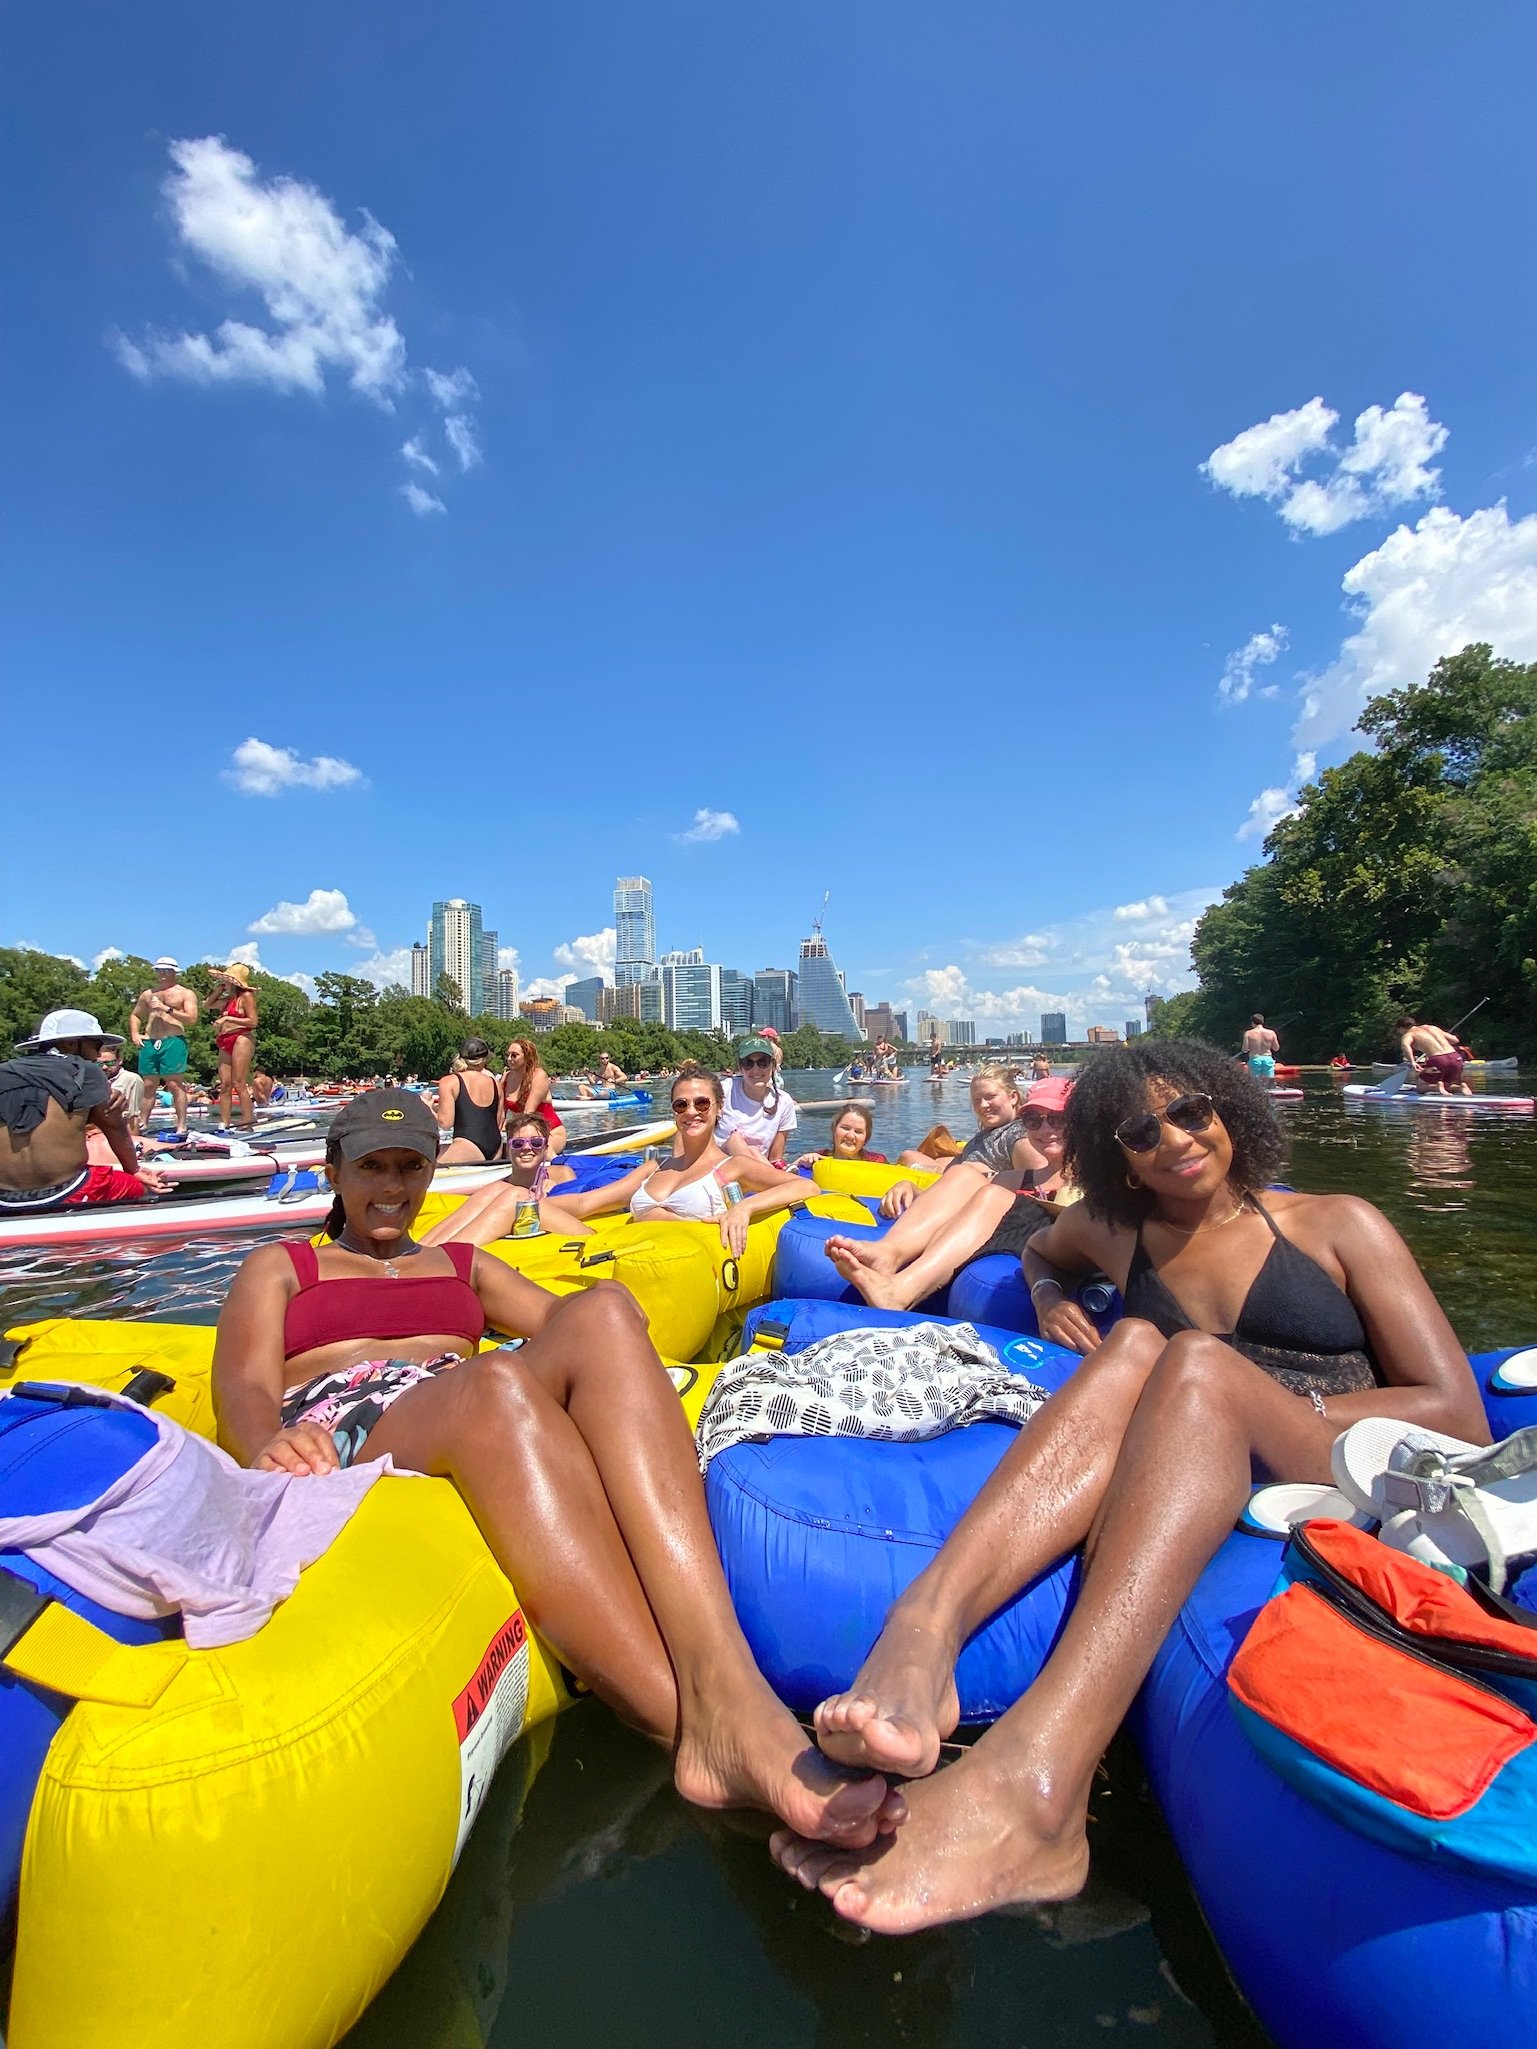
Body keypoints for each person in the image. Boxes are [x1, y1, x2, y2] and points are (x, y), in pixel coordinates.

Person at [772, 1039, 1488, 1932]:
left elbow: (1458, 1412)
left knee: (1182, 1358)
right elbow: (1042, 1245)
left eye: (1191, 1110)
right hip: (1189, 1451)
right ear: (1116, 1153)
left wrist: (1266, 1396)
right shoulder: (1120, 1231)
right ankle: (923, 1629)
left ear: (1230, 1108)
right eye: (1140, 1130)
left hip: (1335, 1457)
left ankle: (1041, 1785)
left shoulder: (1335, 1223)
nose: (1174, 1139)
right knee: (1138, 1345)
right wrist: (1041, 1296)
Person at [211, 1089, 902, 1848]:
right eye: (372, 1166)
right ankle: (702, 1727)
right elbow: (242, 1379)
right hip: (358, 1416)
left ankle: (726, 1683)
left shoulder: (460, 1264)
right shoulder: (285, 1265)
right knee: (493, 1385)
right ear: (335, 1172)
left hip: (453, 1394)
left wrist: (624, 1322)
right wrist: (263, 1441)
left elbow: (567, 1324)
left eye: (410, 1166)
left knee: (602, 1308)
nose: (393, 1186)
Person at [824, 1078, 1075, 1312]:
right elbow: (960, 1195)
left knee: (993, 1195)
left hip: (1045, 1240)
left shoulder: (1090, 1178)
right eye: (1032, 1119)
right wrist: (914, 1189)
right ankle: (887, 1254)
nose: (1045, 1128)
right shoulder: (1020, 1176)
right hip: (1005, 1221)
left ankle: (901, 1291)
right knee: (965, 1175)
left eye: (1058, 1118)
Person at [0, 1009, 171, 1212]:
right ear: (71, 1044)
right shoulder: (86, 1072)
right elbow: (115, 1128)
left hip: (4, 1199)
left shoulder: (4, 1071)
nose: (99, 1054)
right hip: (68, 1192)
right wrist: (133, 1170)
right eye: (96, 1044)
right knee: (140, 1188)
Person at [421, 1111, 578, 1246]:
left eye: (536, 1142)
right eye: (518, 1143)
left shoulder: (563, 1175)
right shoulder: (497, 1190)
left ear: (545, 1149)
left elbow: (578, 1210)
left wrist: (556, 1191)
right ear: (508, 1149)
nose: (527, 1148)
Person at [890, 1065, 1031, 1202]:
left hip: (967, 1194)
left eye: (990, 1096)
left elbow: (1039, 1187)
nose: (982, 1105)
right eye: (977, 1100)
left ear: (1013, 1097)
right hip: (952, 1177)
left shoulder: (1018, 1137)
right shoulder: (989, 1133)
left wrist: (916, 1191)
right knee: (908, 1156)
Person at [131, 957, 198, 1140]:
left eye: (166, 970)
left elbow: (192, 1019)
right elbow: (136, 1015)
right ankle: (143, 1122)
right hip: (151, 1040)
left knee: (174, 1083)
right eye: (160, 970)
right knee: (149, 1085)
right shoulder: (148, 994)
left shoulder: (185, 993)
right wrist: (135, 1033)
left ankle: (181, 1124)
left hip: (173, 1039)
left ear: (174, 972)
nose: (162, 974)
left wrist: (166, 1009)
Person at [717, 1039, 799, 1165]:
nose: (755, 1069)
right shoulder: (724, 1091)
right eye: (748, 1063)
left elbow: (775, 1159)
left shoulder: (784, 1102)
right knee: (736, 1141)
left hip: (758, 1171)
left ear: (773, 1065)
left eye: (763, 1062)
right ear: (740, 1067)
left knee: (753, 1151)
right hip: (722, 1167)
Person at [435, 1038, 504, 1165]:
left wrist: (428, 1109)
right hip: (496, 1147)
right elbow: (499, 1122)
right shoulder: (495, 1083)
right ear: (484, 1060)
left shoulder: (450, 1081)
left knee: (422, 1160)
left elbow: (445, 1123)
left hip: (467, 1146)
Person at [208, 964, 259, 1131]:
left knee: (239, 1082)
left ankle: (248, 1122)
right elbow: (207, 1005)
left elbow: (253, 1021)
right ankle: (224, 1122)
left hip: (242, 1038)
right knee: (225, 1084)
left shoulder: (246, 996)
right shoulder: (228, 1000)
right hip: (225, 1039)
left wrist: (227, 1020)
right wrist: (218, 990)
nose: (225, 983)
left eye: (227, 980)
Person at [503, 1037, 567, 1156]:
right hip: (522, 1135)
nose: (509, 1059)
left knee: (544, 1153)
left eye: (514, 1055)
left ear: (526, 1057)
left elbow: (528, 1113)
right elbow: (500, 1113)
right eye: (508, 1055)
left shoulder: (539, 1075)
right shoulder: (506, 1078)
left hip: (551, 1133)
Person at [789, 1105, 888, 1172]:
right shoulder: (816, 1159)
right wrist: (798, 1163)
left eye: (858, 1132)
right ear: (834, 1129)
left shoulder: (878, 1162)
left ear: (866, 1138)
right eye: (845, 1128)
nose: (850, 1136)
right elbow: (785, 1175)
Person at [1397, 1015, 1473, 1096]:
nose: (1399, 1033)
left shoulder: (1409, 1034)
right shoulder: (1432, 1028)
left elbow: (1405, 1045)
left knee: (1420, 1087)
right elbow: (1455, 1040)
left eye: (1398, 1030)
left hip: (1439, 1060)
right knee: (1447, 1084)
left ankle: (1436, 1087)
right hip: (1455, 1057)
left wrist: (1412, 1062)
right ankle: (1460, 1087)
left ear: (1401, 1028)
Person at [98, 1042, 146, 1135]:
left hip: (120, 1133)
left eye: (110, 1063)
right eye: (99, 1064)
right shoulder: (91, 1078)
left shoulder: (131, 1080)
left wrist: (134, 1145)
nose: (104, 1067)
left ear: (120, 1060)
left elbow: (133, 1117)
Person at [1240, 1014, 1279, 1083]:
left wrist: (1250, 1047)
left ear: (1252, 1022)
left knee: (1255, 1084)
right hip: (1267, 1058)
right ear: (1262, 1022)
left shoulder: (1248, 1033)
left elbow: (1244, 1050)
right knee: (1269, 1082)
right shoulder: (1271, 1033)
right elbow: (1276, 1048)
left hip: (1255, 1058)